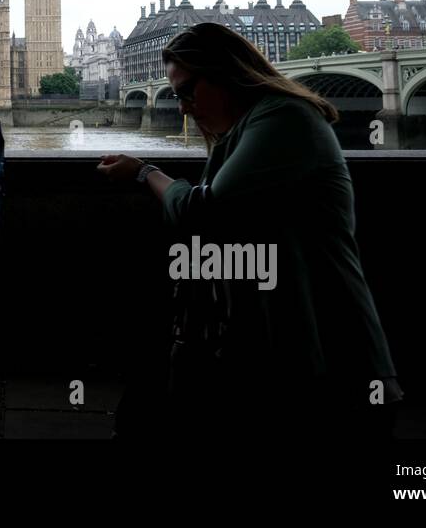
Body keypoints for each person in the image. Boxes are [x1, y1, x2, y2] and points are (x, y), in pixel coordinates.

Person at [97, 22, 401, 445]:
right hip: (270, 356)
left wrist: (147, 172)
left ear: (225, 72)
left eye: (187, 91)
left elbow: (201, 213)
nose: (182, 107)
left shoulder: (285, 117)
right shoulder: (241, 132)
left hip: (329, 355)